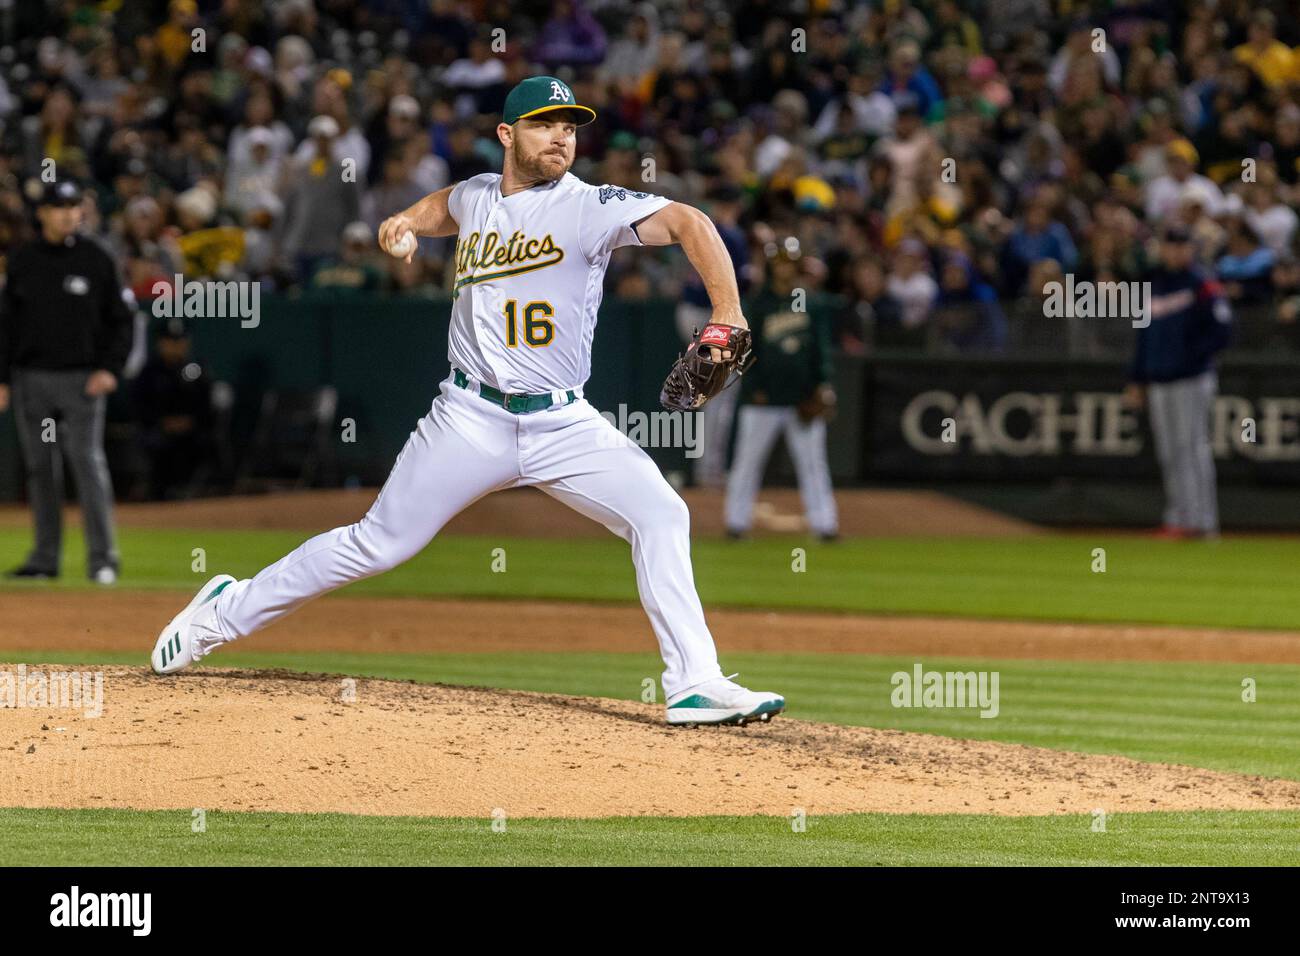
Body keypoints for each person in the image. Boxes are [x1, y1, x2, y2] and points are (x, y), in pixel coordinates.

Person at [150, 76, 784, 728]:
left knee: (661, 515)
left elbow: (689, 221)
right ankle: (220, 613)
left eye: (570, 125)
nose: (562, 134)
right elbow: (446, 205)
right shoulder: (481, 194)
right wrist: (403, 222)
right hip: (469, 418)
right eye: (545, 123)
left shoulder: (591, 205)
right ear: (507, 135)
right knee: (376, 545)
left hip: (562, 420)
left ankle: (694, 682)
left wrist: (727, 310)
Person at [0, 180, 133, 583]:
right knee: (42, 468)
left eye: (74, 206)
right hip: (33, 380)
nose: (67, 213)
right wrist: (3, 378)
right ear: (42, 213)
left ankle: (103, 559)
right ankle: (44, 559)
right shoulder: (24, 260)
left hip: (81, 381)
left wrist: (110, 367)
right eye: (59, 206)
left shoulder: (97, 259)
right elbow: (6, 326)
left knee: (87, 462)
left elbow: (122, 321)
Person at [723, 237, 838, 541]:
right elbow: (746, 349)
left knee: (813, 464)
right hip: (762, 400)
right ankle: (736, 523)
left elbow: (820, 350)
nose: (784, 267)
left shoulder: (810, 301)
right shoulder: (759, 303)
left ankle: (824, 525)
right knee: (747, 462)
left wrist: (821, 383)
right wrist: (754, 385)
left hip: (801, 397)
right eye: (779, 261)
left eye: (788, 261)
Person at [1124, 224, 1233, 539]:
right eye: (1171, 245)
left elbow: (1222, 331)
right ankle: (1178, 517)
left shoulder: (1202, 284)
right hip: (1159, 379)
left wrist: (1190, 358)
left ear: (1191, 249)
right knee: (1169, 451)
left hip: (1192, 378)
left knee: (1192, 448)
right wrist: (1137, 378)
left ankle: (1202, 521)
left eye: (1182, 246)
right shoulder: (1155, 284)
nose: (1176, 251)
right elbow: (1143, 336)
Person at [131, 318, 214, 500]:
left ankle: (199, 495)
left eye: (179, 340)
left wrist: (189, 422)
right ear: (160, 342)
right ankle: (157, 495)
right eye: (170, 340)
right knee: (155, 443)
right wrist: (163, 422)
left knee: (206, 442)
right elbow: (140, 407)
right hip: (157, 430)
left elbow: (207, 408)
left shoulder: (197, 371)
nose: (175, 345)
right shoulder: (148, 373)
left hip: (191, 432)